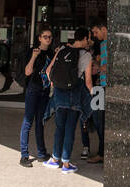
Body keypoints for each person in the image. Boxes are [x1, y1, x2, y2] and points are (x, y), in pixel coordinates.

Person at [43, 31, 91, 174]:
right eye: (88, 38)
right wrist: (92, 95)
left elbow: (48, 70)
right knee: (70, 128)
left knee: (60, 127)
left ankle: (54, 159)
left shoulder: (63, 50)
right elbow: (88, 81)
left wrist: (55, 84)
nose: (89, 41)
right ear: (83, 39)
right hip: (75, 94)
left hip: (60, 93)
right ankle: (66, 164)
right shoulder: (87, 55)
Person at [18, 26, 54, 167]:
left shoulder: (51, 53)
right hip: (33, 89)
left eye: (50, 37)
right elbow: (27, 72)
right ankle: (24, 156)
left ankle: (41, 153)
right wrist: (33, 57)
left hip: (45, 91)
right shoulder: (32, 52)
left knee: (40, 122)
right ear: (39, 38)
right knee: (28, 121)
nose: (48, 39)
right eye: (45, 36)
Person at [87, 22, 107, 164]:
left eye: (95, 32)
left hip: (104, 87)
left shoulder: (108, 45)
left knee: (100, 120)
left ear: (103, 29)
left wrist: (95, 62)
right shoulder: (102, 45)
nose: (95, 35)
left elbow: (106, 67)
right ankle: (101, 151)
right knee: (98, 119)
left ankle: (102, 153)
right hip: (100, 86)